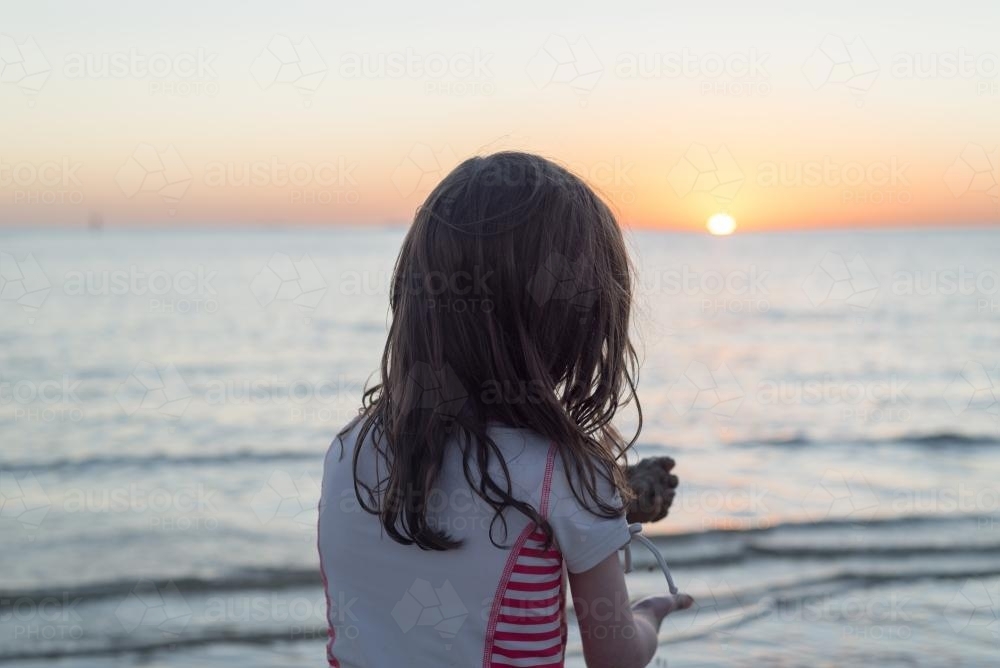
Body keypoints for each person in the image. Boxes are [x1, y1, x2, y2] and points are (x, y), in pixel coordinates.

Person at [318, 152, 692, 668]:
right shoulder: (564, 474)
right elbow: (616, 656)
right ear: (576, 322)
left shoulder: (349, 447)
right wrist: (650, 614)